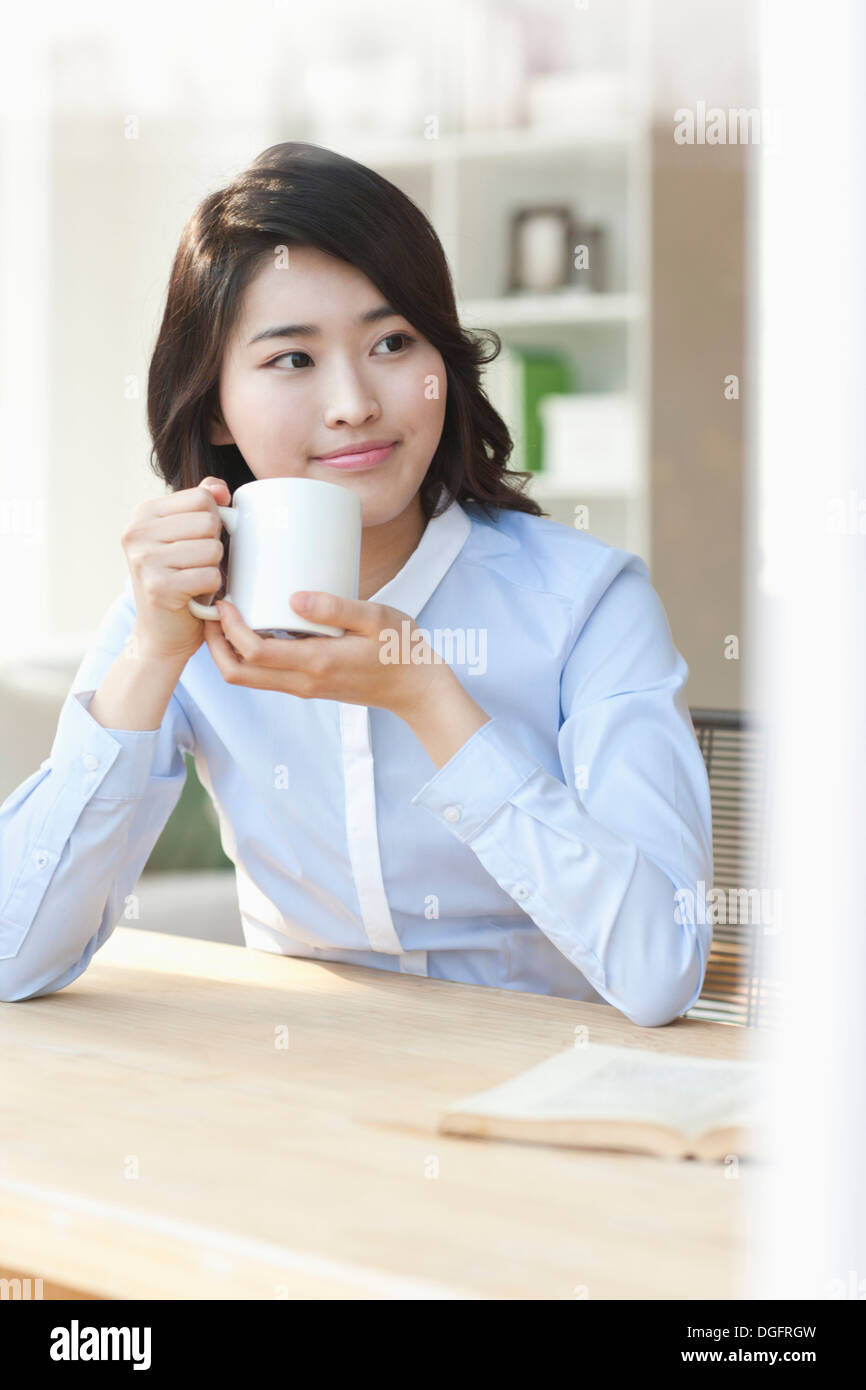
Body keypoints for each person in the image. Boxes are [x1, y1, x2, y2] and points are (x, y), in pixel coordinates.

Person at [0, 142, 713, 1025]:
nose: (353, 403)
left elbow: (661, 970)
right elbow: (12, 953)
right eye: (291, 359)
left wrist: (429, 700)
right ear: (216, 402)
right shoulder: (177, 604)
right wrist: (150, 657)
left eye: (390, 342)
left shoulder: (588, 601)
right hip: (305, 1087)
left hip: (549, 1088)